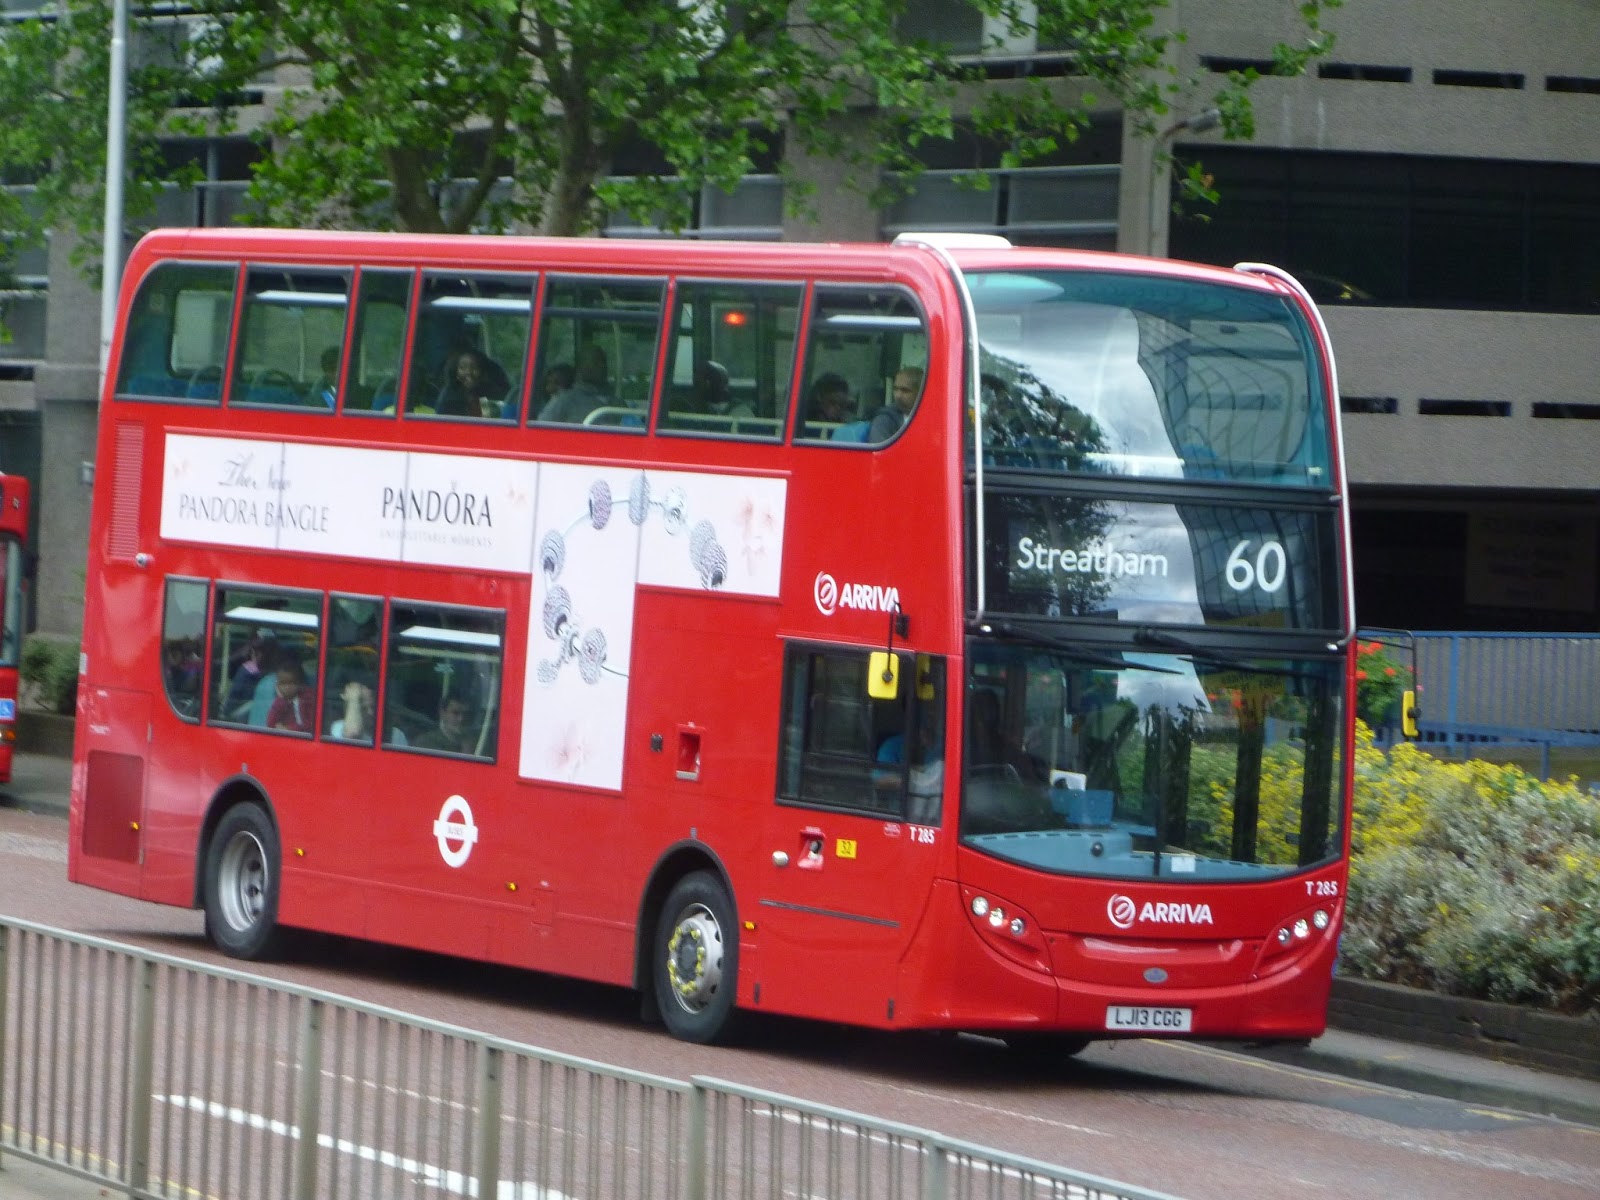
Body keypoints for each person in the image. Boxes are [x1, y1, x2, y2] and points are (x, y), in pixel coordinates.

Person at [538, 342, 613, 423]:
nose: (602, 366)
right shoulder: (564, 400)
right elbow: (540, 430)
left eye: (603, 362)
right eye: (596, 362)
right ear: (582, 366)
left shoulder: (617, 402)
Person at [436, 348, 510, 419]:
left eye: (474, 368)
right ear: (455, 371)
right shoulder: (448, 397)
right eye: (462, 368)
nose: (468, 372)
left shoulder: (492, 394)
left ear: (482, 371)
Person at [220, 635, 275, 720]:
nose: (259, 657)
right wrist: (226, 713)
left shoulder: (273, 675)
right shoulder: (246, 672)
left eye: (263, 653)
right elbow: (234, 694)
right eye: (256, 653)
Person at [867, 366, 924, 442]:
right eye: (895, 389)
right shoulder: (885, 419)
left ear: (921, 392)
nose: (898, 395)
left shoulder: (933, 418)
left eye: (905, 391)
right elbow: (881, 452)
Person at [264, 660, 315, 734]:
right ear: (277, 685)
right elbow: (271, 723)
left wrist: (289, 728)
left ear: (299, 683)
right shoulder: (279, 702)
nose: (286, 687)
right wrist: (282, 701)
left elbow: (310, 724)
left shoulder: (307, 699)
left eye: (291, 683)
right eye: (282, 683)